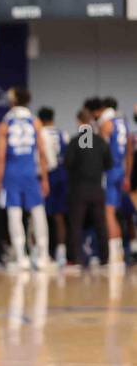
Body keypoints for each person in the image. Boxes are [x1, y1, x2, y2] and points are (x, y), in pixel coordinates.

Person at [0, 87, 52, 271]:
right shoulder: (35, 122)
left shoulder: (5, 124)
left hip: (12, 172)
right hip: (29, 172)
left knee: (14, 213)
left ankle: (21, 257)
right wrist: (44, 178)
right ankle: (43, 255)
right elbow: (42, 152)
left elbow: (1, 156)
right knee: (38, 212)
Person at [64, 106, 111, 272]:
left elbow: (68, 164)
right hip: (97, 189)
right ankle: (105, 259)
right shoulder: (100, 141)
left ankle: (75, 260)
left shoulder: (75, 141)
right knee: (101, 225)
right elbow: (109, 164)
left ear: (79, 122)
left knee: (75, 225)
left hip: (79, 190)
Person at [94, 96, 131, 269]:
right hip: (121, 171)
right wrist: (127, 175)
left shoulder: (105, 124)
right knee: (114, 212)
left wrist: (87, 129)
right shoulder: (123, 122)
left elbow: (91, 148)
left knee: (108, 212)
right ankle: (119, 253)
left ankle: (115, 255)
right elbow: (129, 151)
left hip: (109, 171)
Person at [39, 106, 68, 264]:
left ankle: (44, 251)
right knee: (59, 216)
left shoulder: (41, 133)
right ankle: (61, 250)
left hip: (48, 176)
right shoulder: (63, 133)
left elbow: (44, 158)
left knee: (42, 215)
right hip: (64, 177)